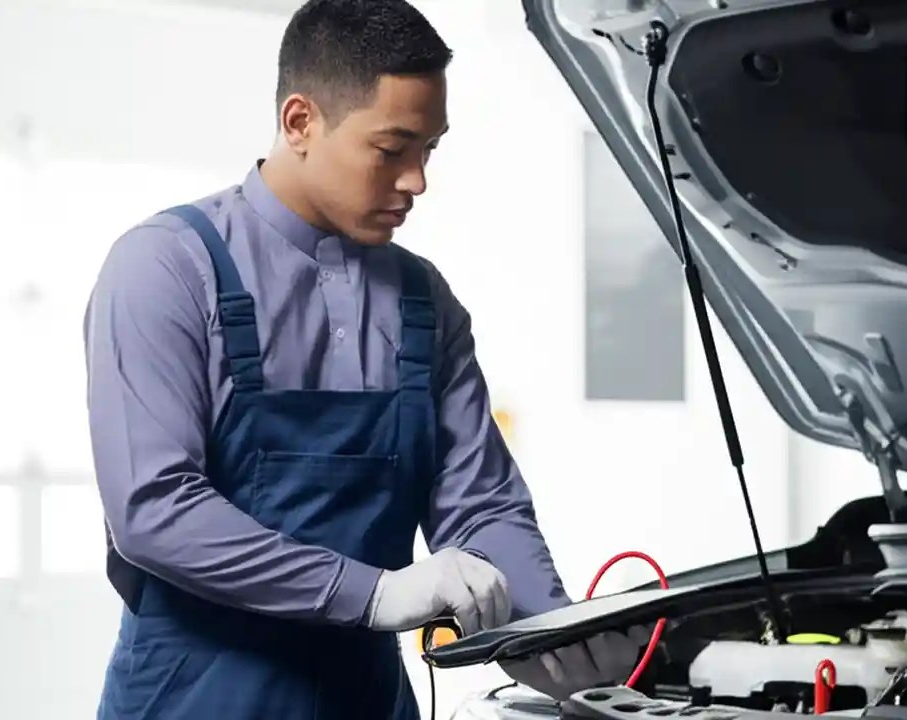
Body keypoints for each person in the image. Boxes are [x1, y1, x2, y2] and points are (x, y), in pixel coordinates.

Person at [83, 1, 648, 717]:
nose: (416, 180)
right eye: (391, 149)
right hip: (194, 697)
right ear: (300, 122)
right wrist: (375, 593)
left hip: (365, 700)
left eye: (430, 150)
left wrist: (549, 637)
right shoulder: (164, 267)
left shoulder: (422, 299)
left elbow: (479, 503)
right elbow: (153, 509)